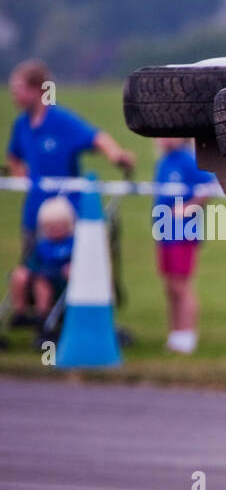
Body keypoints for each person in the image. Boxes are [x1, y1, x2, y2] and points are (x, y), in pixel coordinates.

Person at [7, 59, 134, 264]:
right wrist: (22, 179)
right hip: (34, 212)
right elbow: (14, 155)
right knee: (31, 272)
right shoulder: (22, 124)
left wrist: (117, 155)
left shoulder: (60, 120)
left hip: (65, 215)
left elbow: (96, 138)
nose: (14, 94)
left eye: (19, 88)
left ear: (36, 89)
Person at [152, 137, 217, 354]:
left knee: (181, 286)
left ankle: (187, 335)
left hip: (183, 233)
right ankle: (175, 335)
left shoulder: (189, 160)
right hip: (164, 232)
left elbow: (208, 186)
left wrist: (188, 208)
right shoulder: (163, 161)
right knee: (170, 287)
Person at [7, 195, 75, 327]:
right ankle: (20, 314)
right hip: (41, 277)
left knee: (42, 282)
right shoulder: (42, 245)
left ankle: (42, 317)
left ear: (69, 224)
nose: (55, 230)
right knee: (20, 275)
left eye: (59, 226)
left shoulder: (74, 244)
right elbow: (32, 265)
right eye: (50, 227)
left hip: (61, 282)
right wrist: (26, 272)